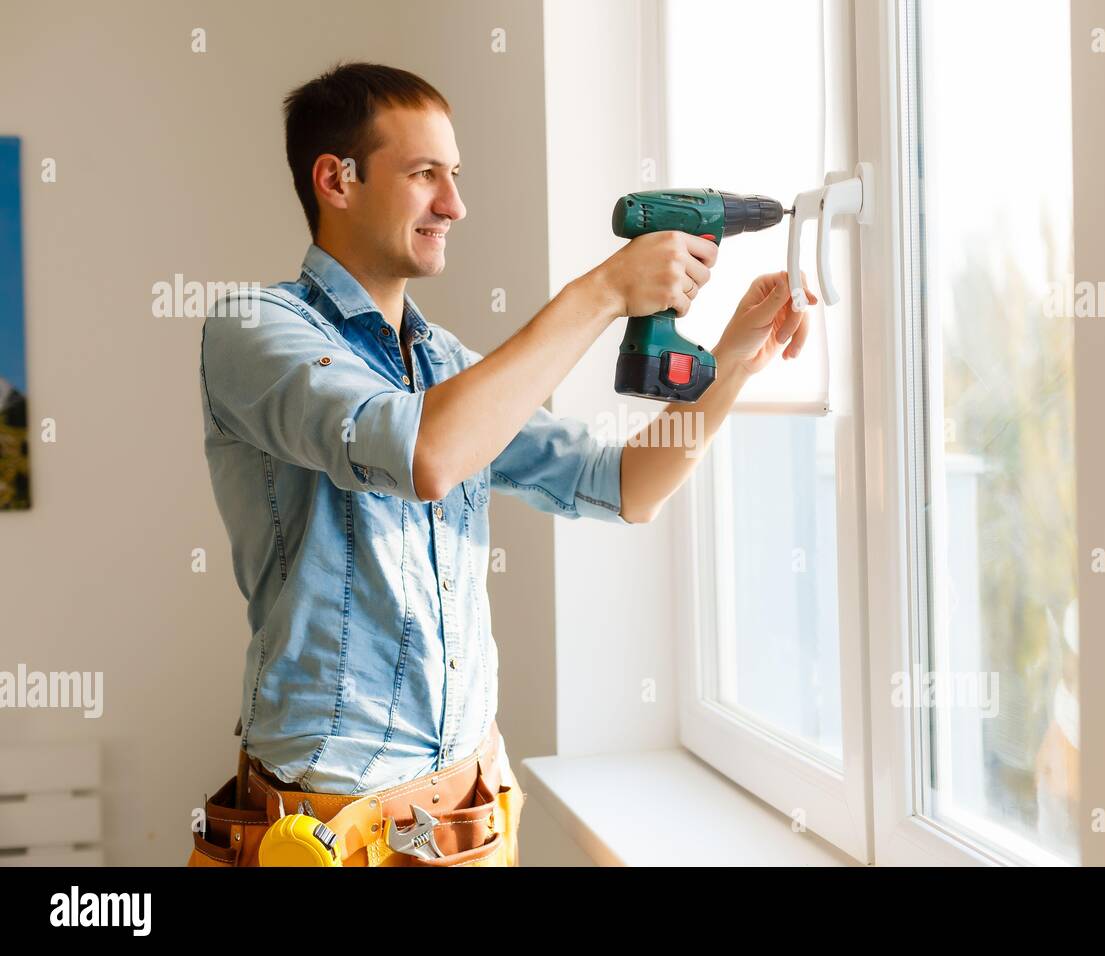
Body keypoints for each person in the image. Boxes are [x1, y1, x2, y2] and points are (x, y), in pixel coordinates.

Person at [195, 61, 813, 866]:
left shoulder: (447, 365)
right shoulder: (253, 329)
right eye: (424, 175)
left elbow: (624, 486)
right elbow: (422, 453)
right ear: (334, 180)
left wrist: (733, 357)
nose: (455, 204)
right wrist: (602, 293)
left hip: (466, 814)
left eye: (454, 175)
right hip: (331, 828)